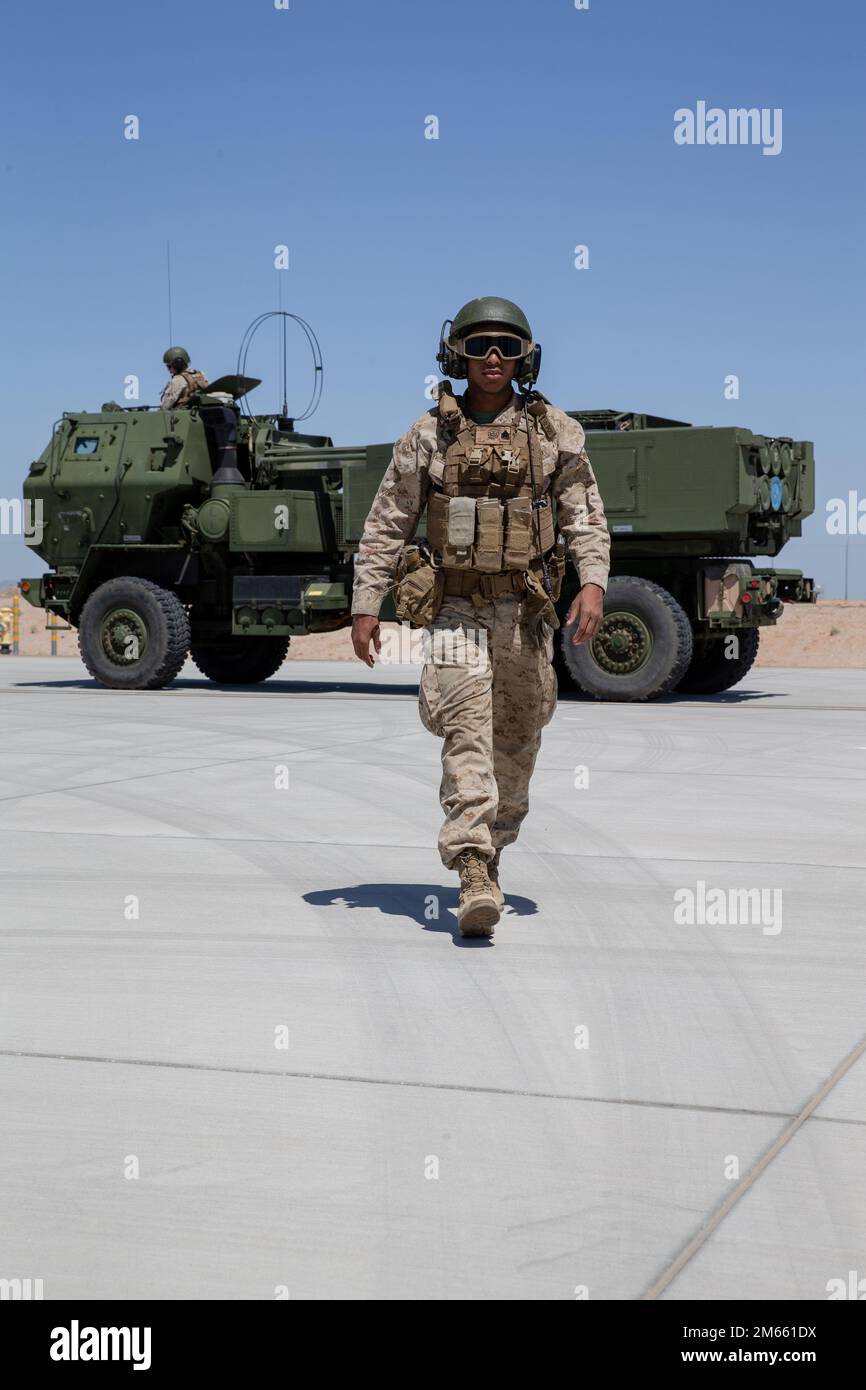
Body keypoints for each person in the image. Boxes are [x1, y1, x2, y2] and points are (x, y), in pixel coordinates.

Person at [351, 297, 610, 938]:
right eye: (479, 346)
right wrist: (365, 602)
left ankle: (492, 847)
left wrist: (594, 583)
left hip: (526, 610)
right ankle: (470, 866)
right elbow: (388, 520)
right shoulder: (428, 434)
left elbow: (583, 513)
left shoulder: (554, 433)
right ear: (456, 353)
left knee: (518, 738)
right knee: (466, 726)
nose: (493, 358)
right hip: (456, 607)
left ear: (526, 357)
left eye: (507, 347)